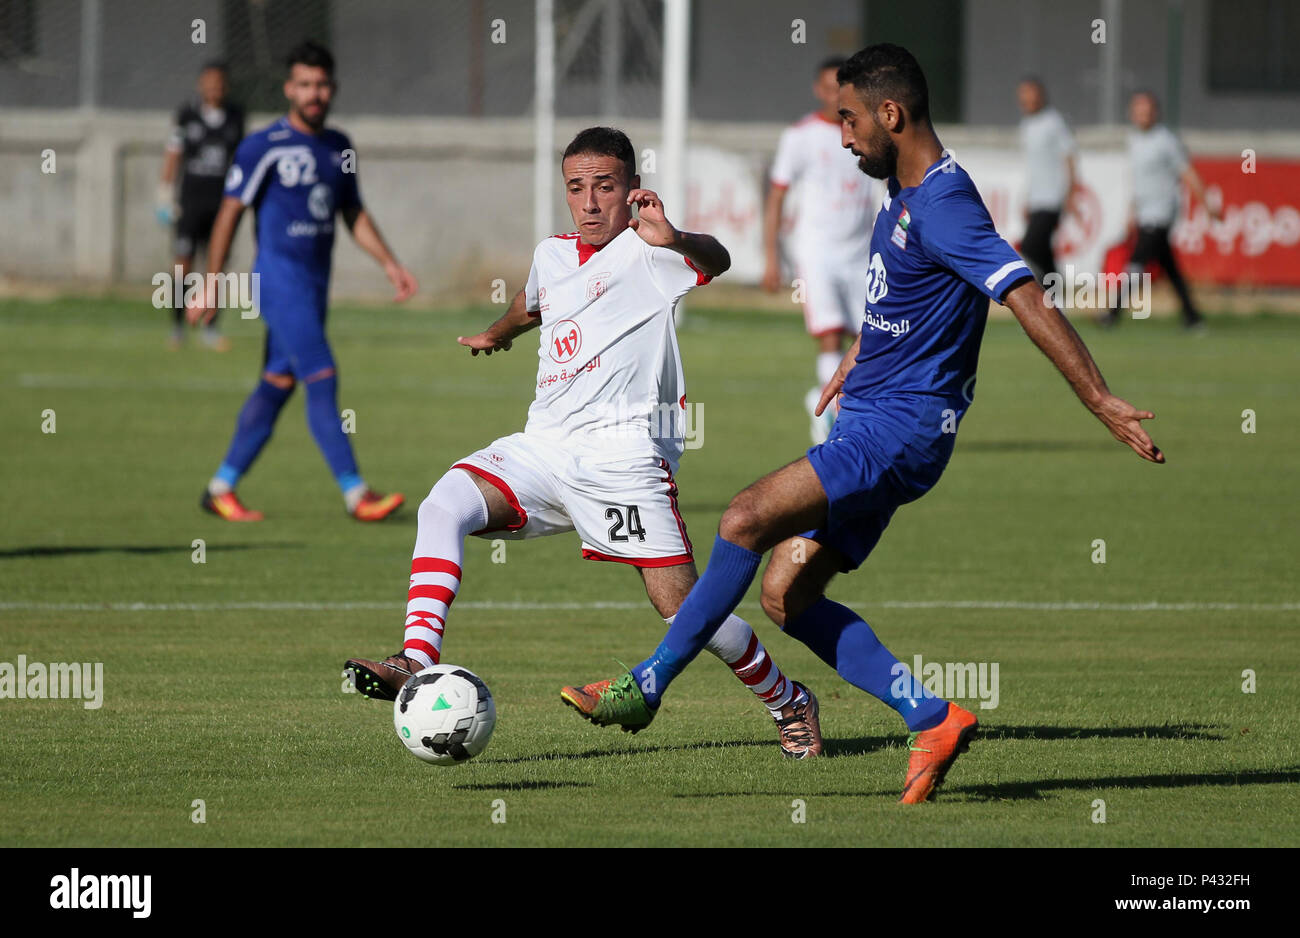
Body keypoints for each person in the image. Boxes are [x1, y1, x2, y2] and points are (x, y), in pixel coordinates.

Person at [567, 45, 1165, 803]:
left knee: (745, 517)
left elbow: (1026, 297)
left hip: (897, 432)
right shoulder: (908, 192)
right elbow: (911, 297)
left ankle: (648, 684)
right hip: (880, 421)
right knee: (788, 595)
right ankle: (933, 715)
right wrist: (862, 353)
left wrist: (1099, 397)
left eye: (849, 119)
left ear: (891, 114)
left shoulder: (945, 203)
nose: (842, 136)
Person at [344, 127, 824, 759]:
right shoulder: (553, 253)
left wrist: (675, 236)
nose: (592, 201)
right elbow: (533, 302)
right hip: (543, 448)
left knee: (683, 608)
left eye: (606, 186)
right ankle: (415, 658)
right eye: (578, 187)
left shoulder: (651, 251)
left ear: (631, 189)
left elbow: (719, 260)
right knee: (443, 503)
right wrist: (499, 332)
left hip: (624, 457)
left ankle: (789, 701)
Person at [192, 41, 416, 522]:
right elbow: (230, 212)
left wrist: (389, 264)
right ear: (290, 88)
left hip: (313, 289)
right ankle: (357, 494)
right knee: (322, 375)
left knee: (277, 382)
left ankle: (221, 487)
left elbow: (351, 211)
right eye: (305, 84)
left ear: (332, 88)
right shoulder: (261, 147)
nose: (314, 93)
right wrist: (211, 283)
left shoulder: (340, 146)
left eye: (322, 85)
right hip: (277, 283)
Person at [762, 55, 880, 445]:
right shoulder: (800, 137)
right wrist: (771, 257)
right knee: (829, 335)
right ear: (818, 90)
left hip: (861, 252)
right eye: (828, 90)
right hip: (817, 252)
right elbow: (777, 196)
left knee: (866, 337)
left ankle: (834, 401)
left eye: (840, 90)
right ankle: (830, 415)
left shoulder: (869, 134)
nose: (834, 98)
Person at [1102, 91, 1220, 329]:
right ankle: (1193, 317)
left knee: (1136, 262)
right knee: (1169, 266)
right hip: (1144, 213)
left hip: (1161, 212)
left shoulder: (1166, 140)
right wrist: (1131, 213)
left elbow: (1188, 172)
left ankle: (1112, 315)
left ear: (1156, 113)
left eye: (1146, 110)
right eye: (1138, 110)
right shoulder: (1134, 140)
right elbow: (1139, 182)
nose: (1142, 115)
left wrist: (1207, 204)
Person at [158, 60, 244, 351]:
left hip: (222, 205)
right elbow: (173, 154)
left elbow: (240, 160)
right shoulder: (187, 115)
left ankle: (210, 328)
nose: (214, 88)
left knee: (216, 267)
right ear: (201, 85)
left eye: (219, 83)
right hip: (190, 203)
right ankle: (177, 327)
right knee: (183, 265)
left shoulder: (236, 116)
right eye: (210, 83)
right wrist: (164, 194)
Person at [1016, 76, 1077, 285]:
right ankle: (1055, 298)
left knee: (1029, 247)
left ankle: (1050, 293)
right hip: (1036, 198)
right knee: (1042, 250)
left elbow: (1069, 157)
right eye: (1023, 96)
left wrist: (1070, 193)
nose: (1026, 100)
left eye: (1030, 95)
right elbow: (1033, 168)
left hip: (1052, 198)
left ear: (1041, 96)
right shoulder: (1026, 125)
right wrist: (1027, 198)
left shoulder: (1054, 121)